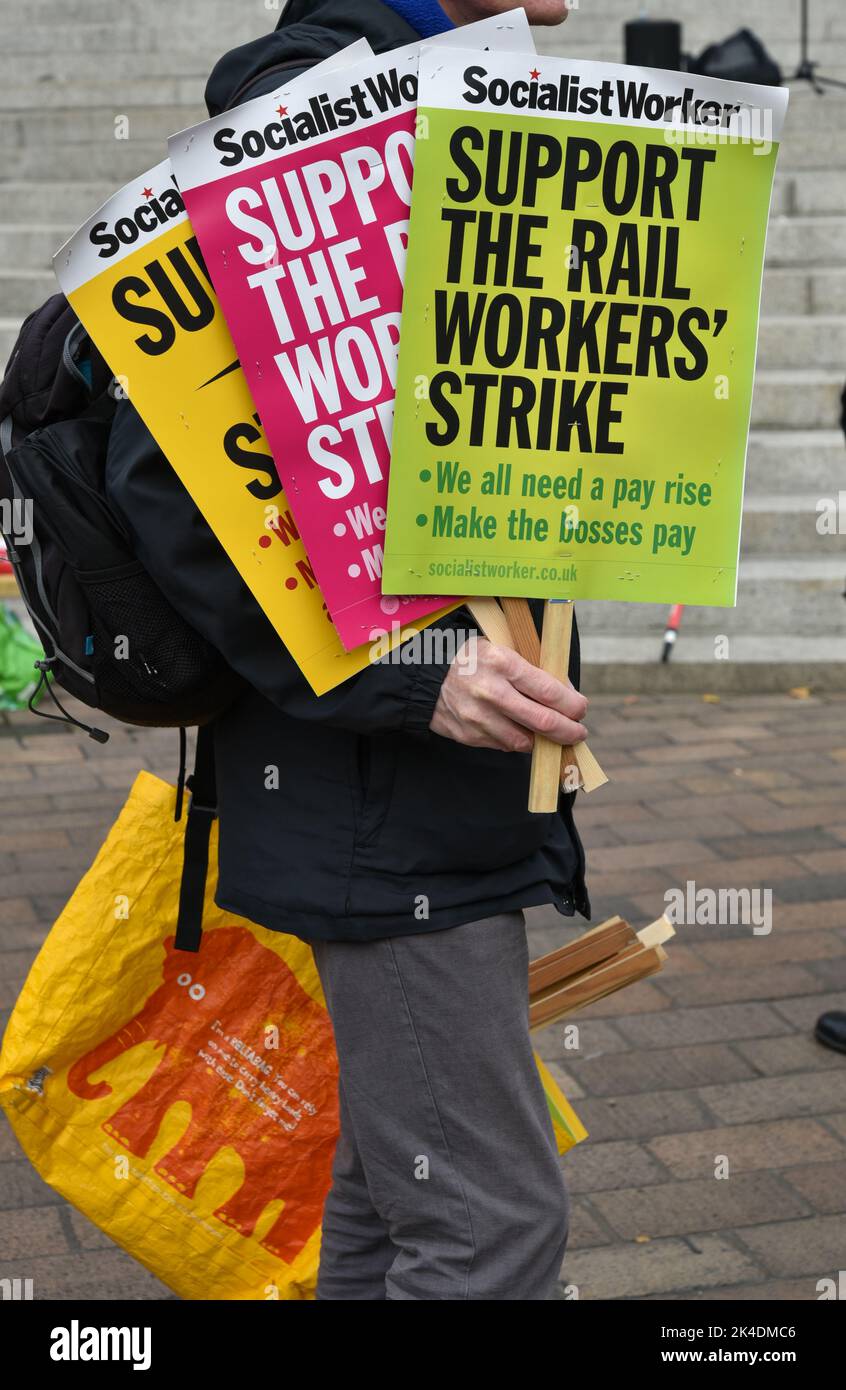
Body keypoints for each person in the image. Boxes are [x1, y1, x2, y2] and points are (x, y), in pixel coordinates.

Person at [108, 0, 590, 1300]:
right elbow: (168, 474)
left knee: (394, 1198)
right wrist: (416, 677)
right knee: (490, 1230)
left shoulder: (436, 82)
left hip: (419, 791)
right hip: (385, 799)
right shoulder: (317, 105)